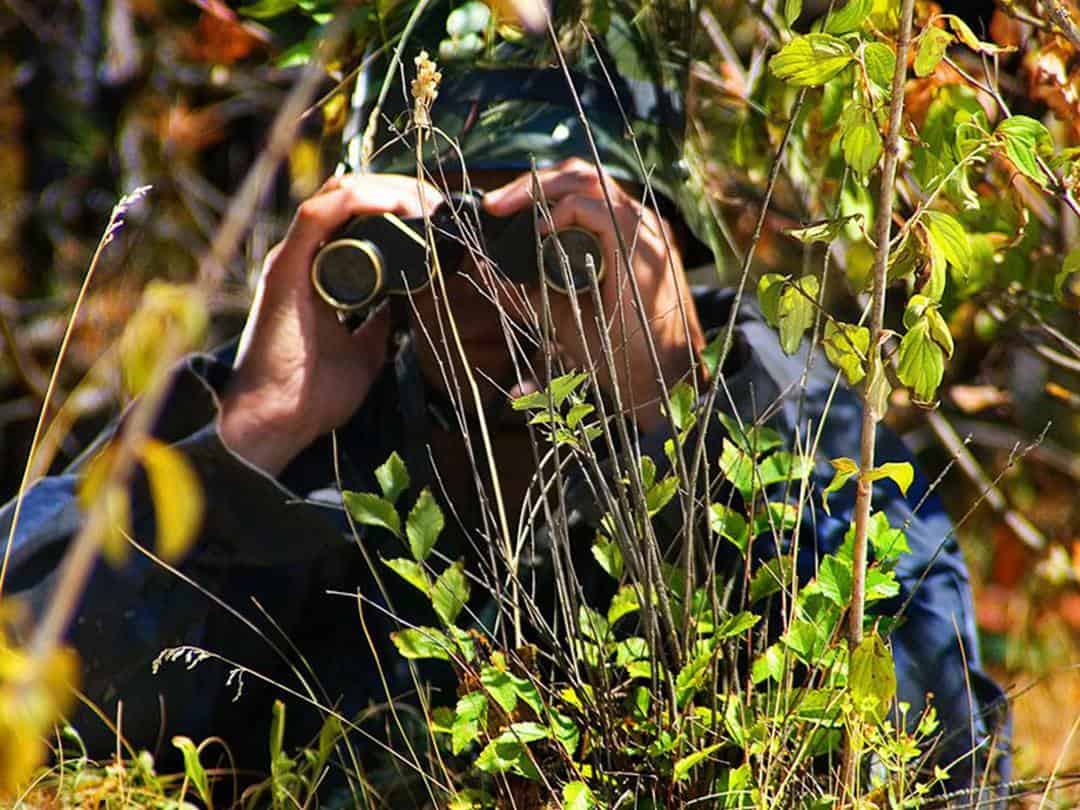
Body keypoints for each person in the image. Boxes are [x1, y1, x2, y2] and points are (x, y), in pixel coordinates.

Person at [1, 1, 1008, 800]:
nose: (495, 282)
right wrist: (255, 440)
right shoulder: (290, 424)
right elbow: (28, 704)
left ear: (662, 241)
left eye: (559, 240)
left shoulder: (787, 418)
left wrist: (670, 429)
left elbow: (945, 763)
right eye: (449, 228)